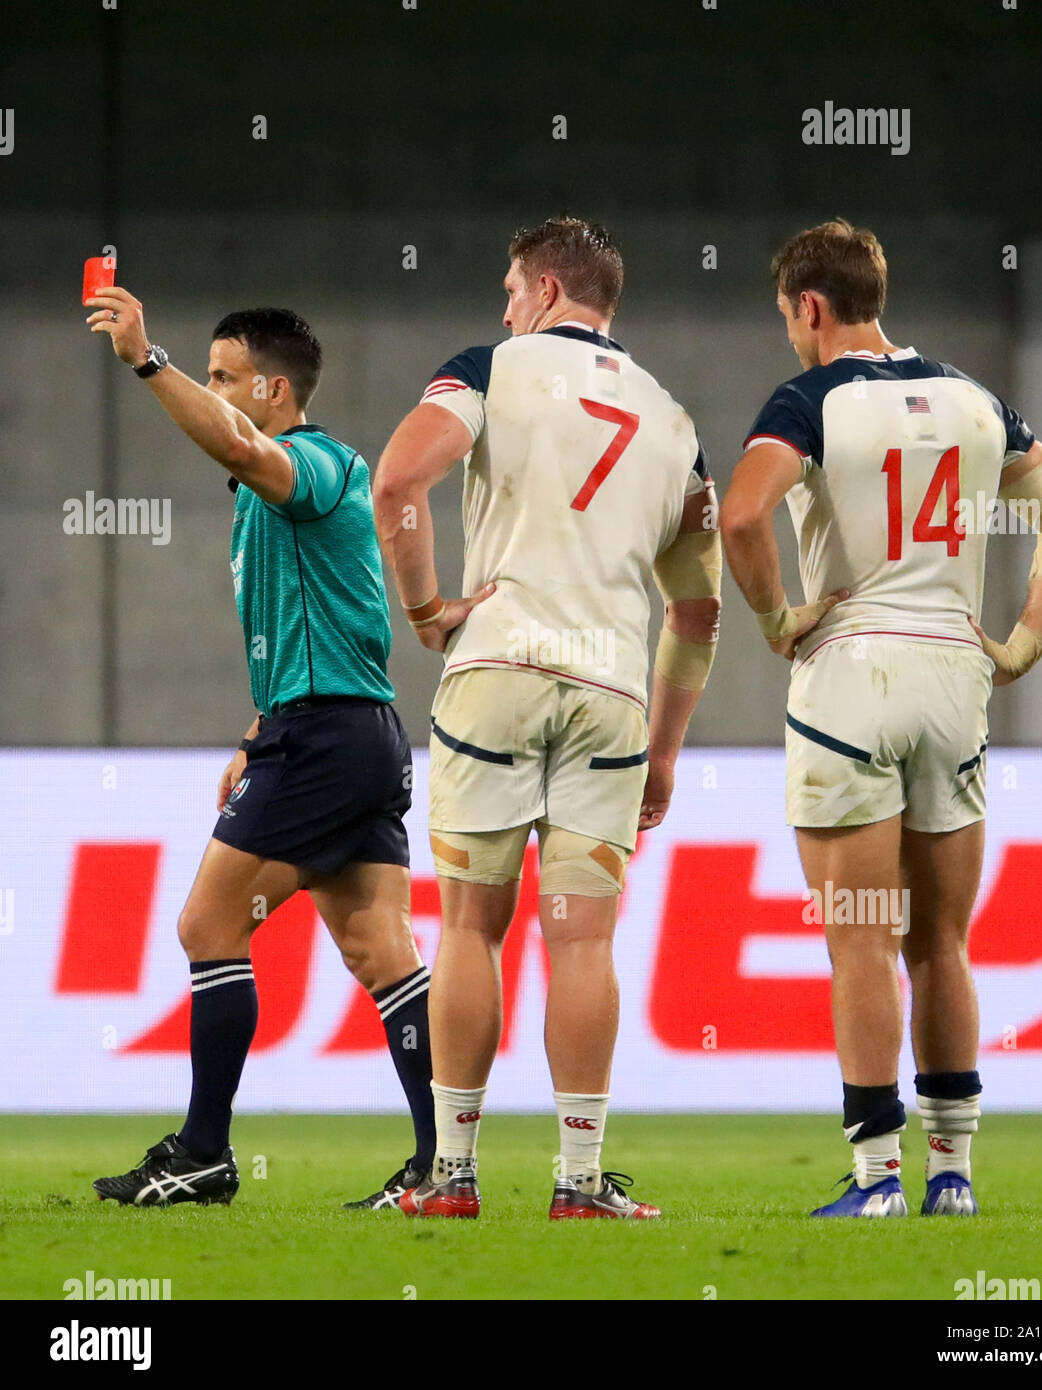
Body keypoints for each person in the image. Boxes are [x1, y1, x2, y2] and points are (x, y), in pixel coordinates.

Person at [721, 220, 1042, 1217]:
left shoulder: (810, 400)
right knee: (942, 944)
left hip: (852, 673)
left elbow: (740, 515)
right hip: (952, 684)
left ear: (810, 307)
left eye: (788, 320)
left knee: (860, 938)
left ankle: (877, 1179)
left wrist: (776, 619)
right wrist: (1017, 646)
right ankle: (955, 1176)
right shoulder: (977, 402)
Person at [373, 216, 721, 1219]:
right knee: (582, 940)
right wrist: (664, 748)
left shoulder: (492, 367)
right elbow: (698, 609)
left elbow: (398, 480)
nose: (503, 307)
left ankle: (451, 1175)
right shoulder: (673, 418)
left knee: (472, 927)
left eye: (511, 287)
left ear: (548, 291)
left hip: (499, 666)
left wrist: (429, 612)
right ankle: (578, 1181)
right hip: (611, 691)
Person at [83, 288, 435, 1209]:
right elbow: (328, 622)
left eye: (223, 376)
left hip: (324, 737)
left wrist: (147, 363)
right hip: (348, 730)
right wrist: (256, 729)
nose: (212, 390)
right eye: (205, 375)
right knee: (378, 948)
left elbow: (241, 446)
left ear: (276, 391)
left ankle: (204, 1153)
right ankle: (442, 1165)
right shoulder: (271, 495)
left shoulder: (312, 463)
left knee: (208, 926)